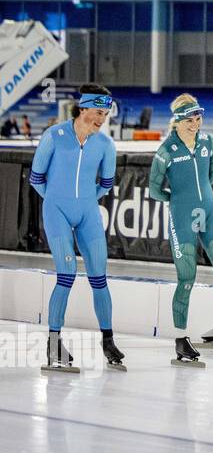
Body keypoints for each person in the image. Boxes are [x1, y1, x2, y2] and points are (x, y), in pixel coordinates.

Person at [29, 83, 122, 372]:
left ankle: (107, 340)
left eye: (105, 115)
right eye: (97, 113)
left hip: (88, 213)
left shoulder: (106, 145)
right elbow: (36, 179)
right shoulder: (54, 136)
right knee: (66, 274)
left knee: (99, 277)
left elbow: (105, 184)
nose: (101, 120)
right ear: (82, 108)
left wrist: (84, 204)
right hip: (56, 210)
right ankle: (53, 342)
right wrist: (56, 201)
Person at [148, 94, 213, 365]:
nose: (195, 123)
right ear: (177, 121)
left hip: (210, 212)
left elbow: (210, 176)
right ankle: (180, 338)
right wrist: (177, 200)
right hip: (182, 218)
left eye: (198, 118)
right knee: (186, 278)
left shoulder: (209, 143)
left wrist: (195, 198)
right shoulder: (165, 151)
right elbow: (155, 190)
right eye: (189, 119)